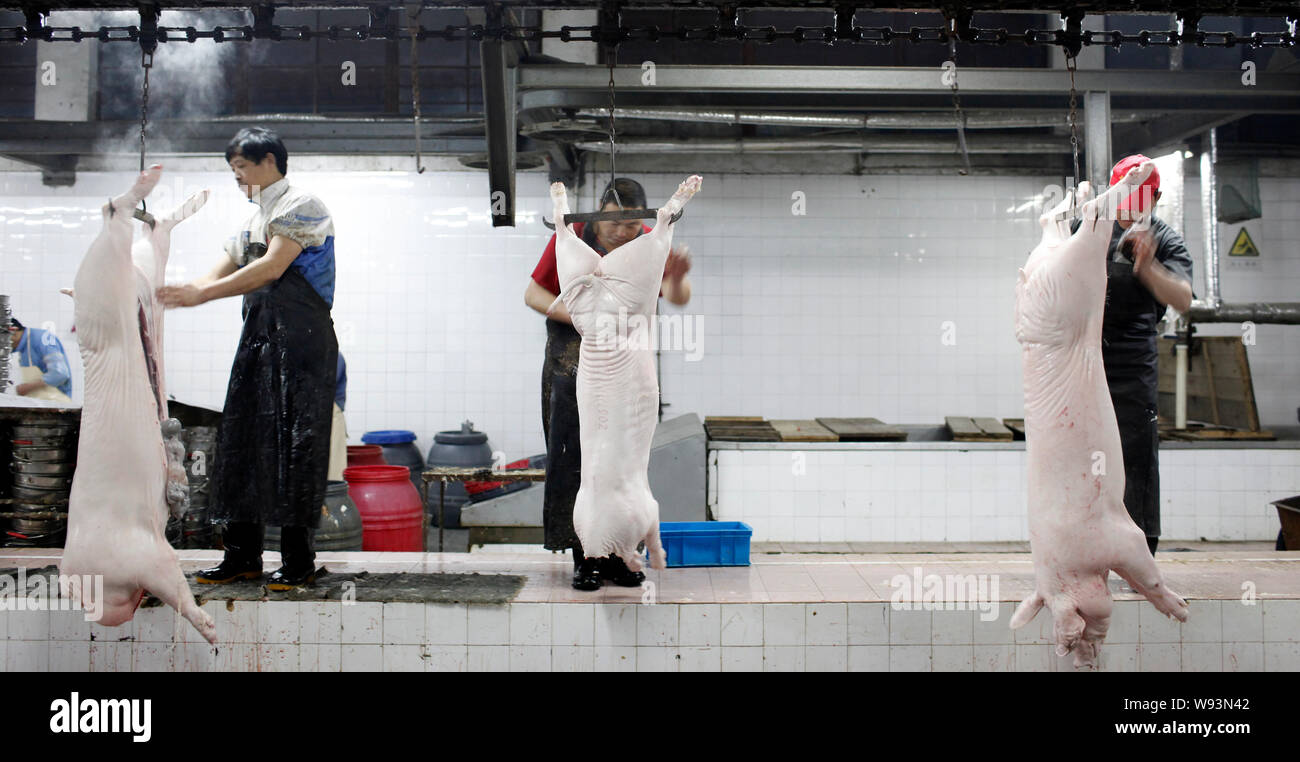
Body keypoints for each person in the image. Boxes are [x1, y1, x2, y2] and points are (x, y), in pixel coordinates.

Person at [158, 127, 338, 590]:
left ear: (271, 161)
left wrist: (201, 294)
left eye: (242, 165)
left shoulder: (302, 204)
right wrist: (173, 291)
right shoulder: (250, 223)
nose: (236, 175)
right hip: (258, 341)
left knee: (296, 448)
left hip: (302, 342)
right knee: (242, 444)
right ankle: (241, 556)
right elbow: (222, 271)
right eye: (232, 167)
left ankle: (298, 562)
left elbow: (272, 267)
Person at [524, 177, 693, 590]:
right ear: (600, 211)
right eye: (615, 223)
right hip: (573, 365)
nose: (622, 233)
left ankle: (620, 556)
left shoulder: (651, 241)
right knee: (578, 460)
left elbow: (677, 296)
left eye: (633, 226)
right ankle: (586, 559)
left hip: (630, 370)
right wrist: (590, 323)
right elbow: (533, 295)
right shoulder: (573, 238)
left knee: (621, 460)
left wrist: (677, 276)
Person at [1073, 154, 1194, 556]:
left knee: (1136, 451)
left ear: (1155, 197)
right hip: (1085, 357)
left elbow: (1183, 299)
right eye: (1123, 193)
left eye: (1141, 195)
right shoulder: (1089, 228)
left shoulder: (1166, 239)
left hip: (1134, 363)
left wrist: (1147, 267)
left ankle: (1142, 550)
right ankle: (1084, 547)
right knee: (1084, 452)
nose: (1131, 204)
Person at [8, 317, 73, 403]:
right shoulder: (23, 349)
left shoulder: (43, 338)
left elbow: (60, 373)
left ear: (13, 331)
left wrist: (28, 387)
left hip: (56, 404)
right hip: (39, 403)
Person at [328, 352, 348, 481]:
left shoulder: (334, 356)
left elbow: (326, 383)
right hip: (311, 415)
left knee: (333, 468)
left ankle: (332, 500)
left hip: (331, 413)